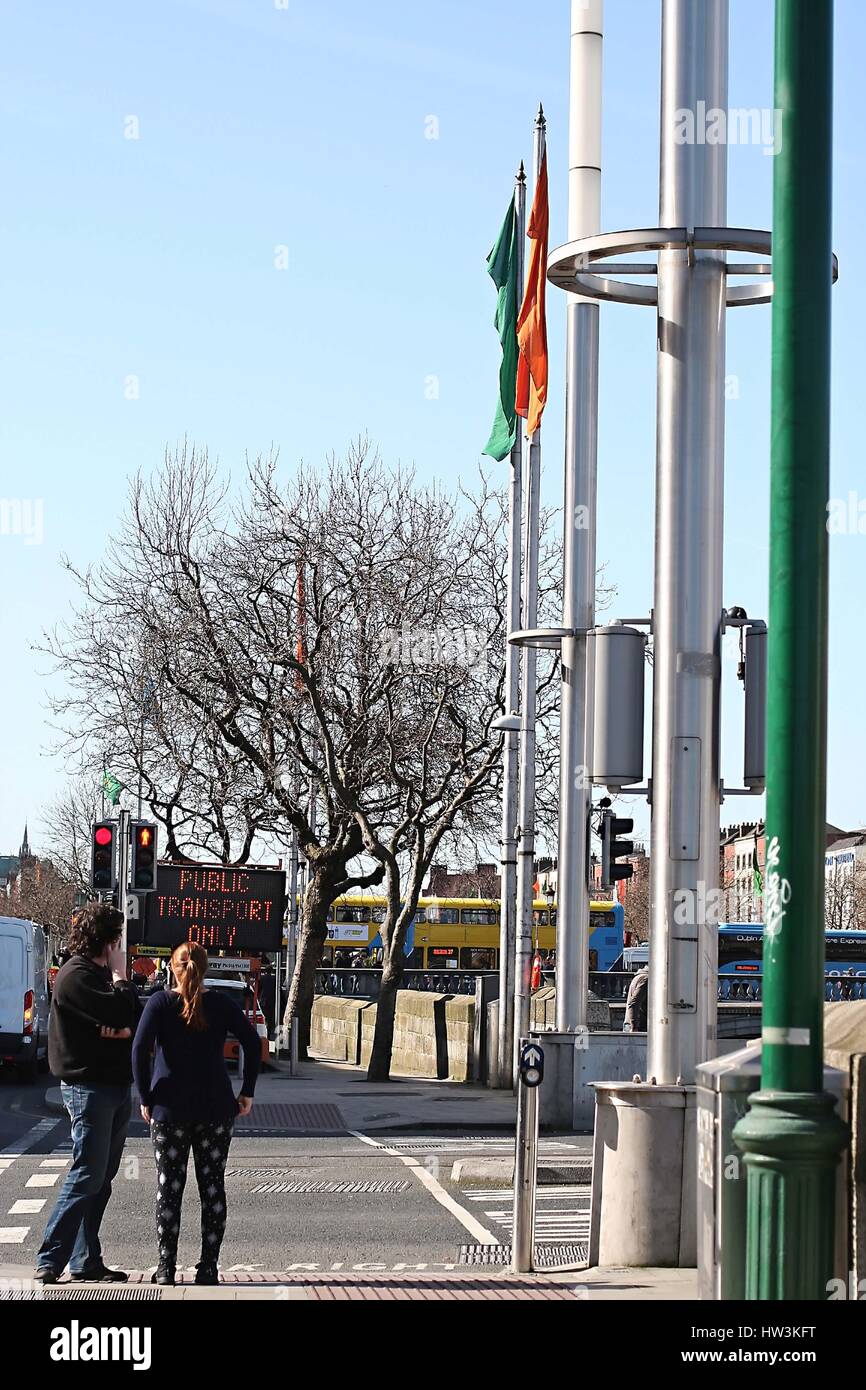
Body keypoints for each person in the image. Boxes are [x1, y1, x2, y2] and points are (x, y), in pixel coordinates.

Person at [132, 942, 260, 1286]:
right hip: (216, 1107)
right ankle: (208, 1268)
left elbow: (139, 1048)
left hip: (169, 1107)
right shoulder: (220, 1003)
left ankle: (165, 1268)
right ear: (204, 969)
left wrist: (145, 1095)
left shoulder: (159, 1003)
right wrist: (246, 1090)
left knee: (168, 1188)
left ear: (172, 968)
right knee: (213, 1187)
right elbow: (251, 1040)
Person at [35, 902, 139, 1285]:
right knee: (87, 1174)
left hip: (114, 1084)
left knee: (101, 1178)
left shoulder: (96, 976)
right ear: (107, 940)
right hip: (88, 1086)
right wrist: (122, 982)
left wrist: (119, 1020)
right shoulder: (76, 975)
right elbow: (119, 1012)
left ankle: (85, 1259)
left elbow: (130, 1017)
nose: (122, 944)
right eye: (118, 937)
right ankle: (50, 1257)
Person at [623, 963, 649, 1032]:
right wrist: (634, 1027)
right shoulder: (646, 979)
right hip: (639, 1027)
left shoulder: (639, 977)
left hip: (631, 1025)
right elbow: (634, 1002)